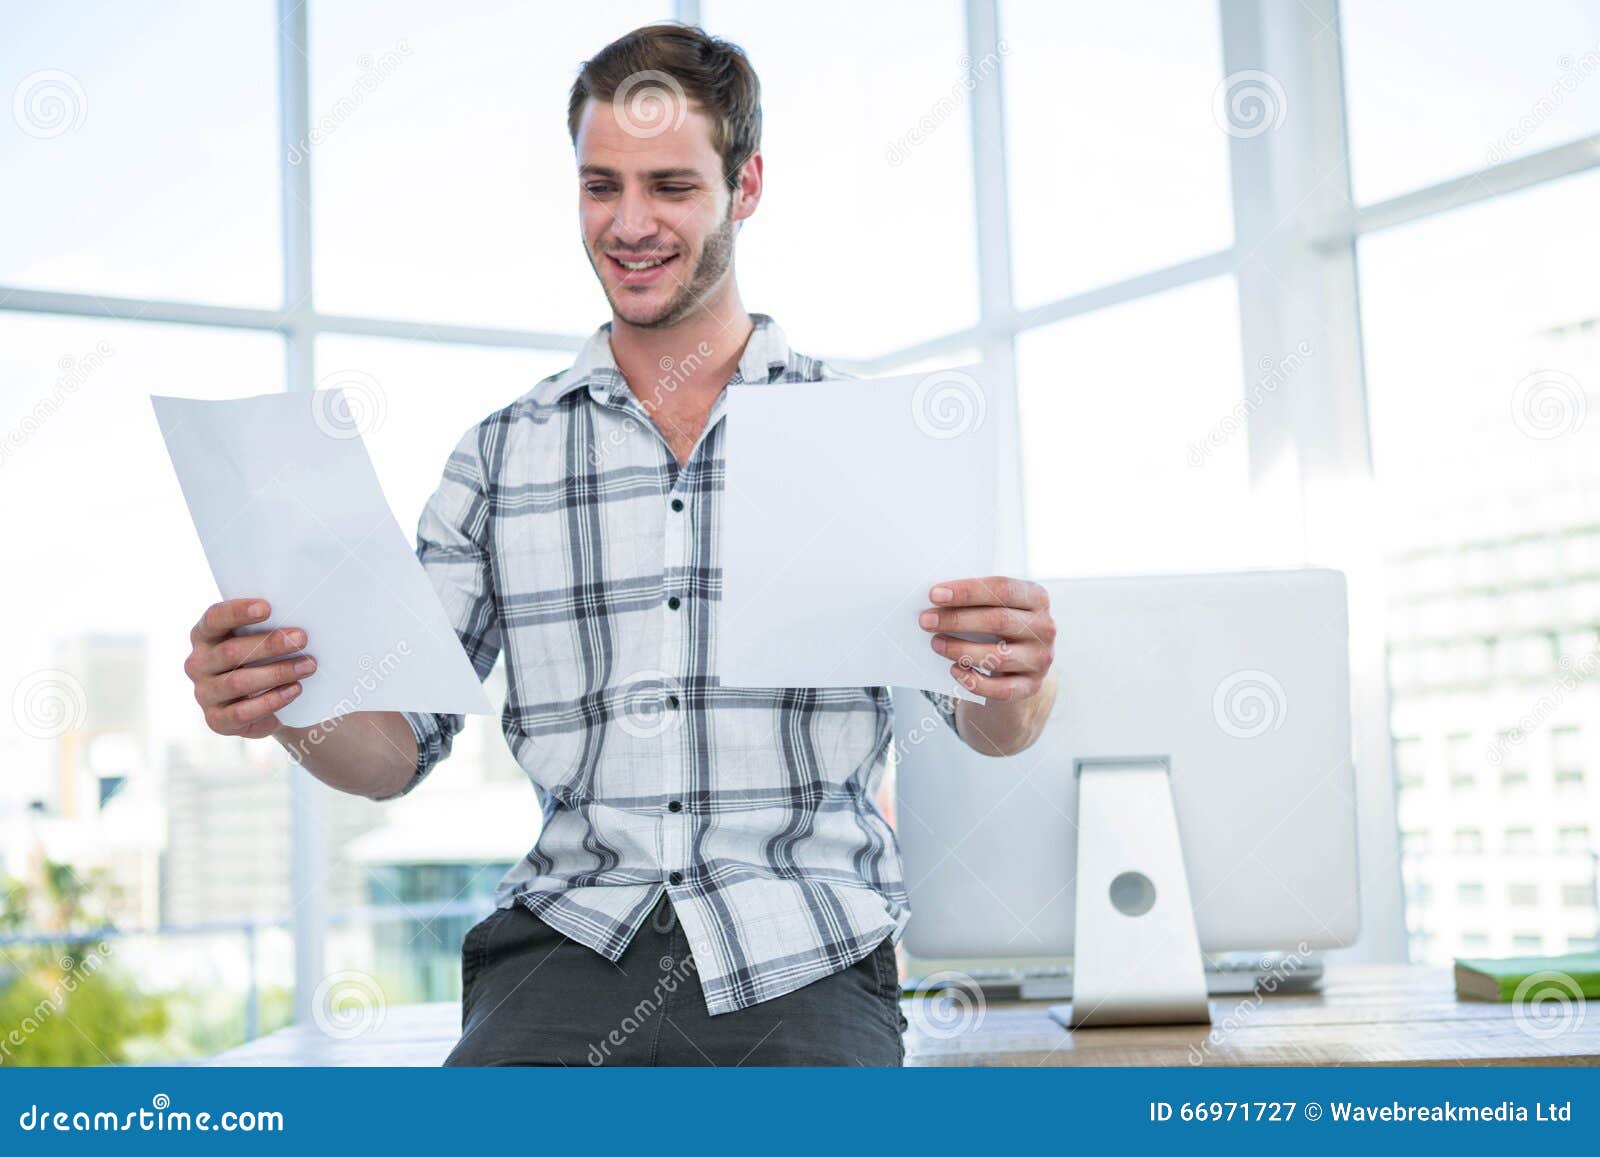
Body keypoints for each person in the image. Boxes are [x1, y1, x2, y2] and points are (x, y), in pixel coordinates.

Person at [181, 23, 1056, 1067]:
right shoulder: (501, 456)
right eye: (602, 186)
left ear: (747, 185)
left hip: (803, 950)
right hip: (565, 945)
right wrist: (291, 702)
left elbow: (992, 726)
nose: (629, 224)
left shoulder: (862, 434)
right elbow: (392, 751)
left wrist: (1018, 675)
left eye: (671, 187)